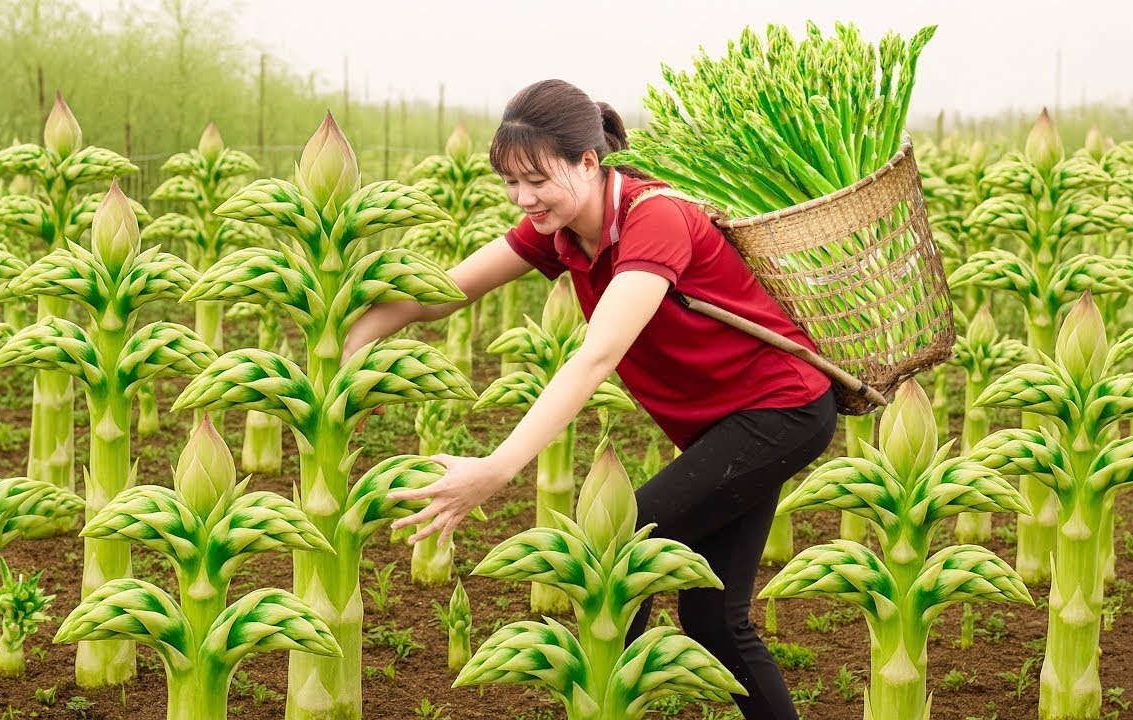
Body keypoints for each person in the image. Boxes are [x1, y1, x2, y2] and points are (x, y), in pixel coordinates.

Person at [343, 79, 836, 719]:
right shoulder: (561, 228)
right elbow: (447, 292)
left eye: (536, 180)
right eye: (511, 182)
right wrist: (360, 333)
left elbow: (596, 356)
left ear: (587, 161)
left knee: (615, 553)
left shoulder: (653, 217)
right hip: (728, 429)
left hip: (780, 411)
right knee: (714, 619)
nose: (523, 199)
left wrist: (495, 470)